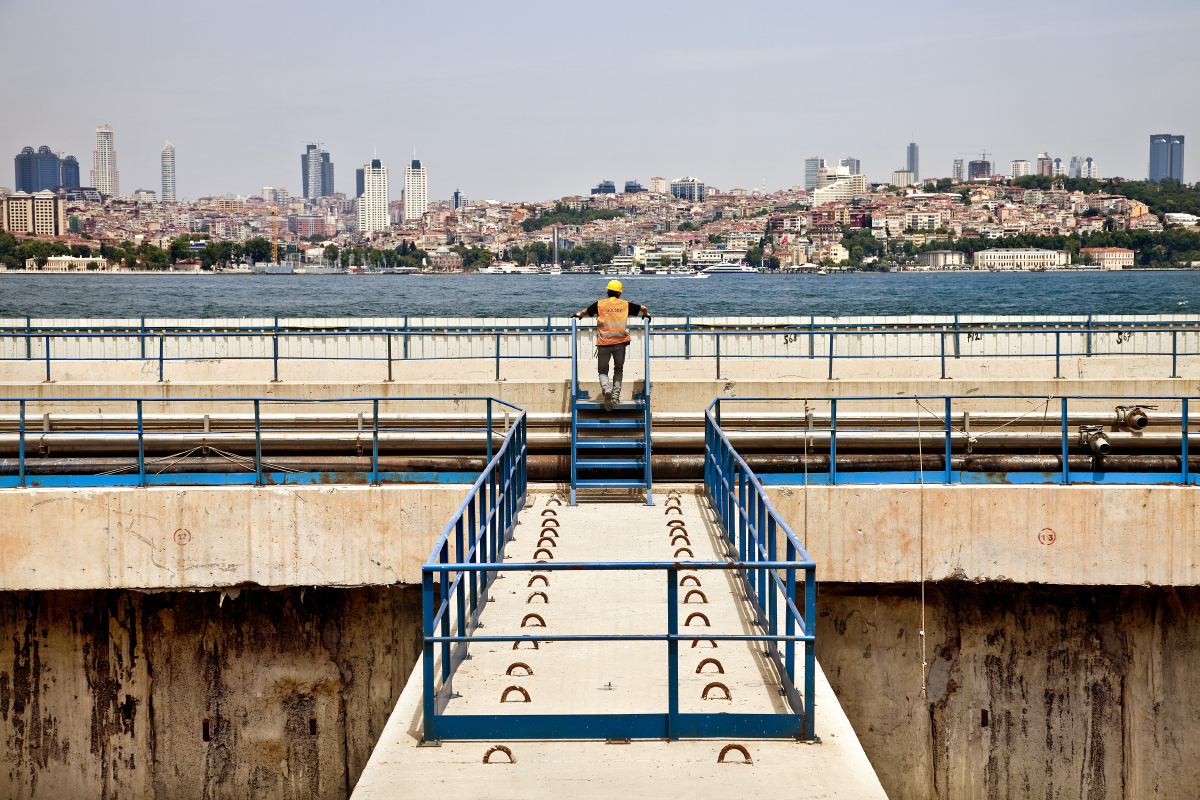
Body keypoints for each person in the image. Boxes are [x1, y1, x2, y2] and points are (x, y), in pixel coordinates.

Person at [574, 280, 651, 411]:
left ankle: (606, 389)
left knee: (603, 371)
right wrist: (646, 315)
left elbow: (585, 311)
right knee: (618, 370)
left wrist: (578, 315)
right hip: (620, 343)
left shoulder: (600, 304)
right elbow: (643, 308)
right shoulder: (625, 304)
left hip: (604, 343)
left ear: (607, 291)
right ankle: (615, 396)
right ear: (619, 293)